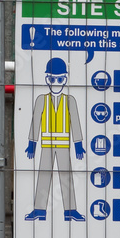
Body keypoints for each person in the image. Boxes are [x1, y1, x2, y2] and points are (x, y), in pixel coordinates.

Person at [24, 57, 86, 222]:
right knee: (44, 176)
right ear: (47, 79)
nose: (56, 82)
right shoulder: (41, 100)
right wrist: (32, 145)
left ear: (65, 79)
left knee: (66, 177)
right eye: (52, 79)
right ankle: (39, 210)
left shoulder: (70, 100)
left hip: (64, 145)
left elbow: (76, 124)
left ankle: (71, 210)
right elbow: (35, 123)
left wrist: (78, 145)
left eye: (60, 79)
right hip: (46, 146)